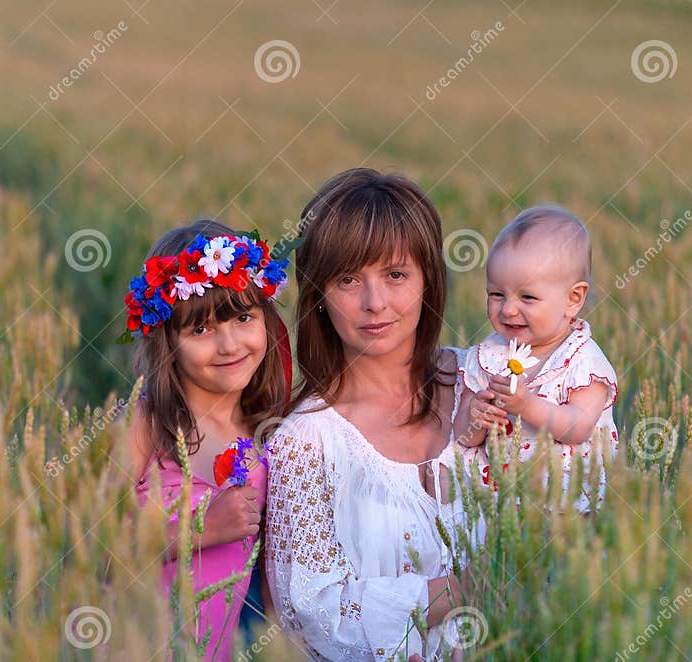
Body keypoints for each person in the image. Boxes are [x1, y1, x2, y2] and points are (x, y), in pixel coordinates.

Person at [265, 168, 481, 660]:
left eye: (396, 275)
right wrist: (464, 590)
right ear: (317, 296)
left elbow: (574, 503)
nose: (374, 303)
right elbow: (314, 614)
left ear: (430, 280)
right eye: (347, 279)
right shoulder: (306, 442)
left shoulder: (485, 383)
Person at [125, 219, 291, 660]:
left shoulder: (268, 440)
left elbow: (272, 584)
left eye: (243, 318)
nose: (228, 344)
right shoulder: (147, 423)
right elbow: (86, 544)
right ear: (167, 340)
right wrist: (200, 529)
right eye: (200, 330)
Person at [452, 205, 619, 513]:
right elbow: (465, 437)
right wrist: (476, 416)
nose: (508, 310)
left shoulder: (582, 362)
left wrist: (527, 406)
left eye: (527, 297)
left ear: (573, 300)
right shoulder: (490, 357)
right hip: (500, 498)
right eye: (496, 295)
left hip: (567, 500)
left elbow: (578, 427)